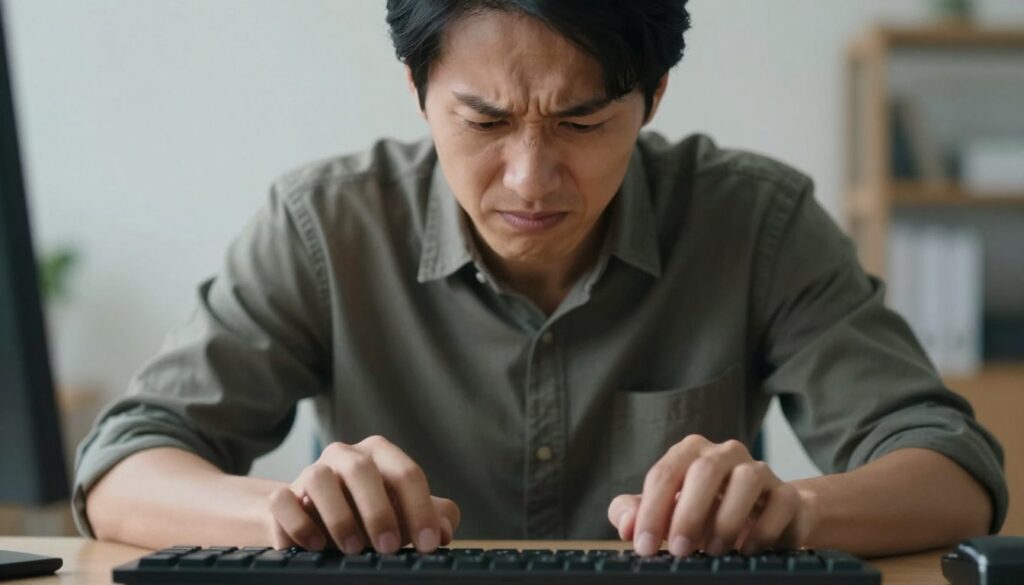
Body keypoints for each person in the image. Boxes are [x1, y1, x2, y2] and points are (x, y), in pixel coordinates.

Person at [76, 0, 1006, 559]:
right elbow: (124, 464)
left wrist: (793, 509)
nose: (529, 178)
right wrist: (292, 511)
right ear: (416, 91)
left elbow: (952, 470)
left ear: (653, 98)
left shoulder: (752, 222)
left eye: (582, 122)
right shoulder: (326, 226)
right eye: (483, 123)